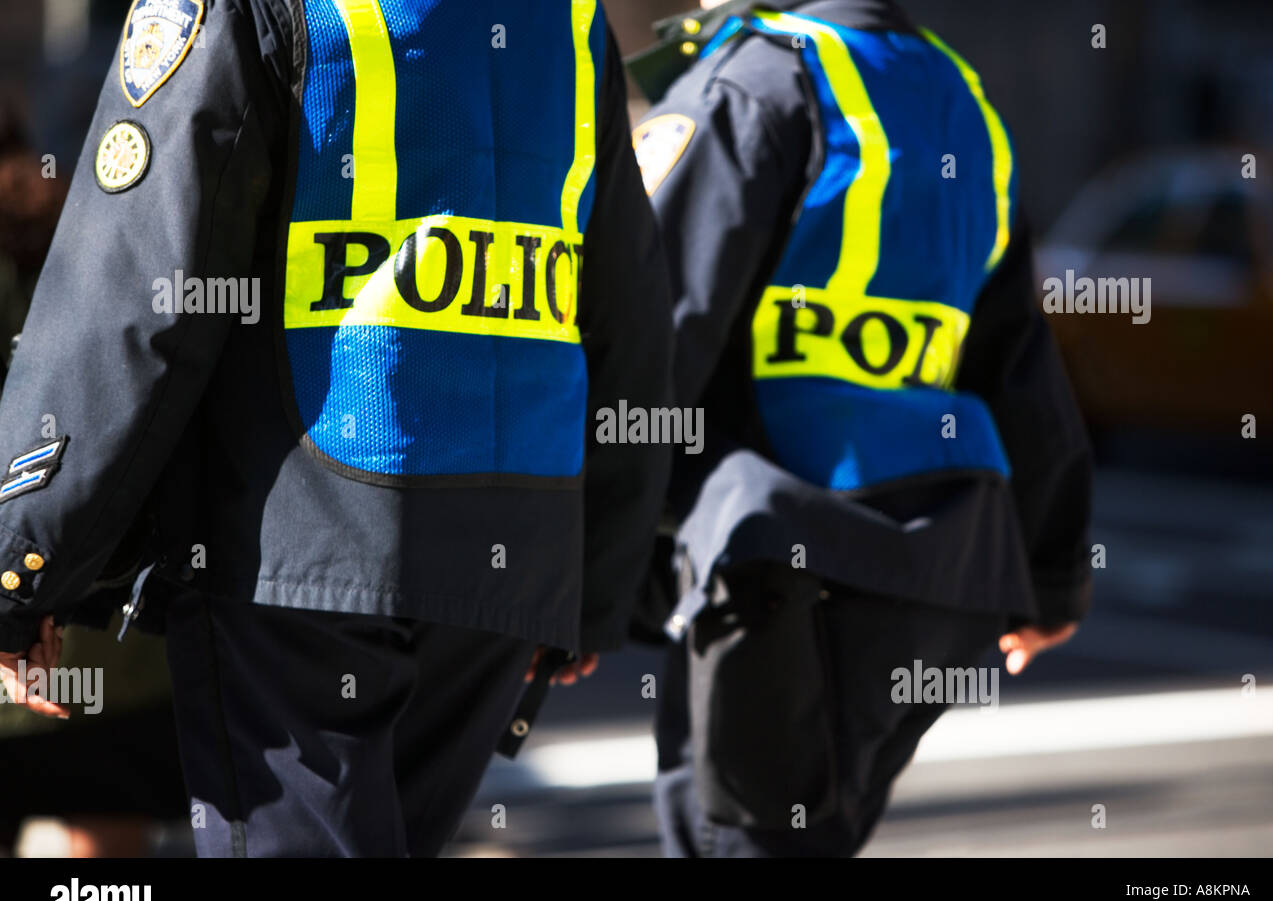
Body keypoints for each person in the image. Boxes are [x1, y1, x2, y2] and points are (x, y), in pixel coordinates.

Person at [0, 0, 672, 857]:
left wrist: (23, 560)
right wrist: (600, 579)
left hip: (303, 551)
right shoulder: (564, 18)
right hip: (508, 554)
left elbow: (131, 293)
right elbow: (628, 310)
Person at [627, 0, 1093, 857]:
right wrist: (1053, 576)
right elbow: (1018, 362)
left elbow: (649, 339)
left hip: (773, 572)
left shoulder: (754, 83)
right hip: (933, 572)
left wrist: (575, 573)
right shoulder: (962, 97)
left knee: (739, 841)